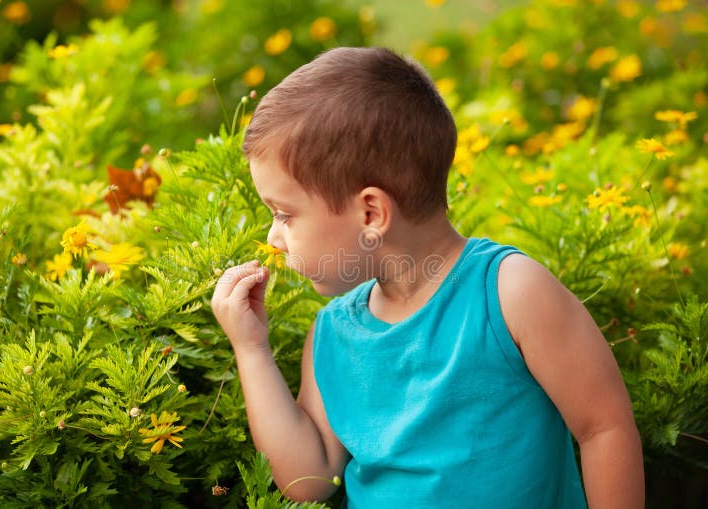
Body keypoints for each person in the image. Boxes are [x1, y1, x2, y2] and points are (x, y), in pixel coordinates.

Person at [211, 47, 644, 508]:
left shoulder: (510, 292)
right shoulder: (333, 334)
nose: (273, 238)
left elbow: (605, 429)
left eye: (283, 214)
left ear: (371, 212)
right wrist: (251, 348)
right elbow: (310, 481)